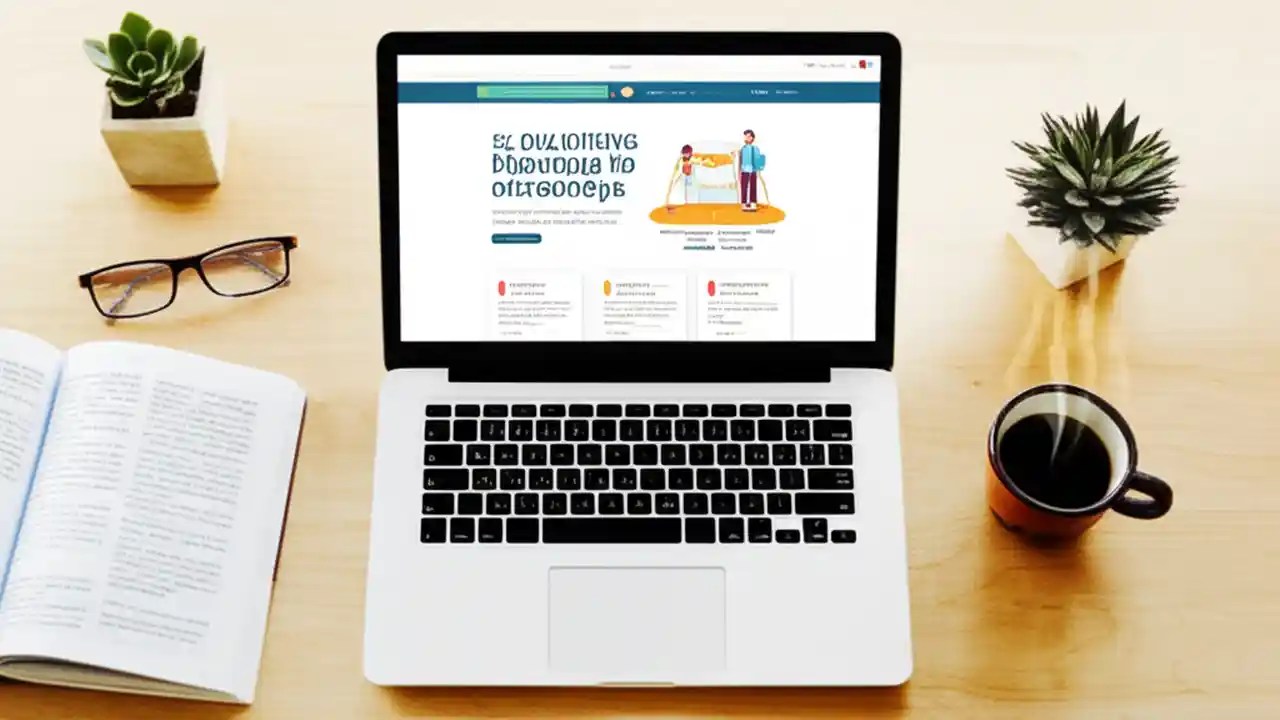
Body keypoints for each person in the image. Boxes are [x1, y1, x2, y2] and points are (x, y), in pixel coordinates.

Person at [736, 129, 765, 211]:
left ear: (752, 138)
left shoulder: (755, 148)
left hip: (753, 170)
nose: (747, 138)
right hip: (744, 170)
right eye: (745, 136)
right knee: (744, 187)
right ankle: (744, 203)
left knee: (753, 186)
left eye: (749, 136)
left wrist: (759, 169)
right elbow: (740, 160)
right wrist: (739, 171)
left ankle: (753, 203)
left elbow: (759, 159)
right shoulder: (742, 149)